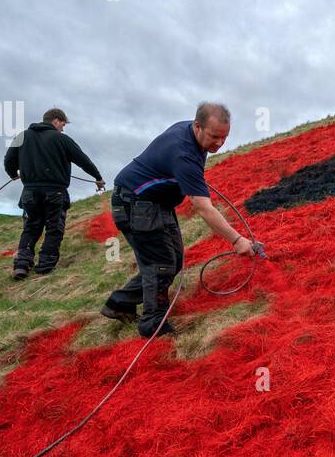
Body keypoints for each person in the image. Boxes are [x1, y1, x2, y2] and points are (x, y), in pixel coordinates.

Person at [101, 102, 253, 337]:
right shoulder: (184, 154)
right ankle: (153, 325)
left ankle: (120, 303)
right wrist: (236, 240)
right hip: (136, 205)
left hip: (154, 203)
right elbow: (203, 208)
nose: (220, 144)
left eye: (224, 137)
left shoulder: (189, 134)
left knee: (173, 259)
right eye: (214, 137)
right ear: (197, 127)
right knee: (160, 265)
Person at [3, 108, 105, 279]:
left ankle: (21, 266)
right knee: (54, 228)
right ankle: (45, 266)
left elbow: (8, 160)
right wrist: (98, 177)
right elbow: (83, 160)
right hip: (55, 192)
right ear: (56, 120)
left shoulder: (22, 136)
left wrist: (13, 174)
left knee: (30, 228)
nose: (63, 129)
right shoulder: (62, 139)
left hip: (29, 192)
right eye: (63, 125)